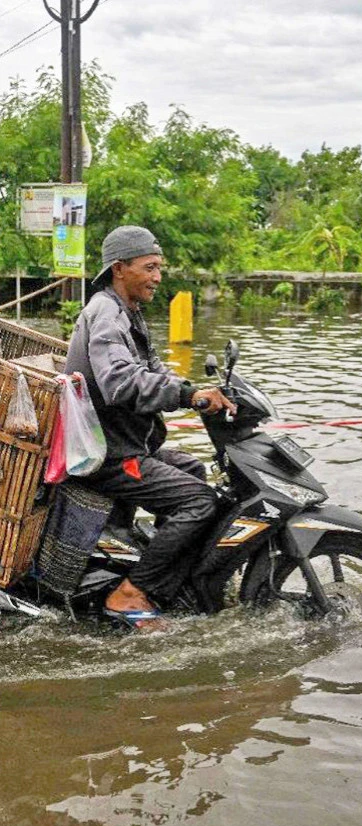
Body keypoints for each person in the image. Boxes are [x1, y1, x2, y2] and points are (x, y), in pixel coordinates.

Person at [65, 225, 235, 631]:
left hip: (128, 443)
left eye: (159, 267)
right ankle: (131, 592)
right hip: (109, 454)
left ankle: (171, 578)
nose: (159, 277)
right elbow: (120, 381)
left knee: (193, 471)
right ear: (120, 268)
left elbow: (154, 370)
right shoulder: (105, 313)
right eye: (150, 267)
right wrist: (187, 395)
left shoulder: (129, 313)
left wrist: (198, 391)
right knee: (200, 502)